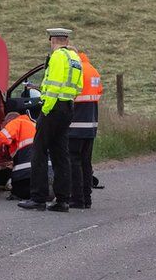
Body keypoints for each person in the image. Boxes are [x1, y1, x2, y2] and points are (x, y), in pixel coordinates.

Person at [19, 27, 83, 212]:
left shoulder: (57, 57)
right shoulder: (74, 58)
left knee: (39, 152)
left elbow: (53, 86)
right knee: (61, 154)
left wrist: (45, 109)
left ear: (53, 40)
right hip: (68, 107)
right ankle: (62, 200)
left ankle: (38, 198)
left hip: (53, 108)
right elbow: (78, 86)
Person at [68, 51, 103, 209]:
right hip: (91, 124)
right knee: (86, 162)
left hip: (76, 123)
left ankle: (77, 199)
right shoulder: (93, 70)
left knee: (74, 161)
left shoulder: (76, 70)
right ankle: (87, 198)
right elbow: (98, 93)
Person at [0, 111, 36, 199]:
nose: (3, 126)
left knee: (17, 190)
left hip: (27, 172)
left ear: (8, 120)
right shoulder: (33, 124)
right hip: (44, 173)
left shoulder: (16, 122)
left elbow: (2, 137)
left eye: (4, 123)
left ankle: (20, 193)